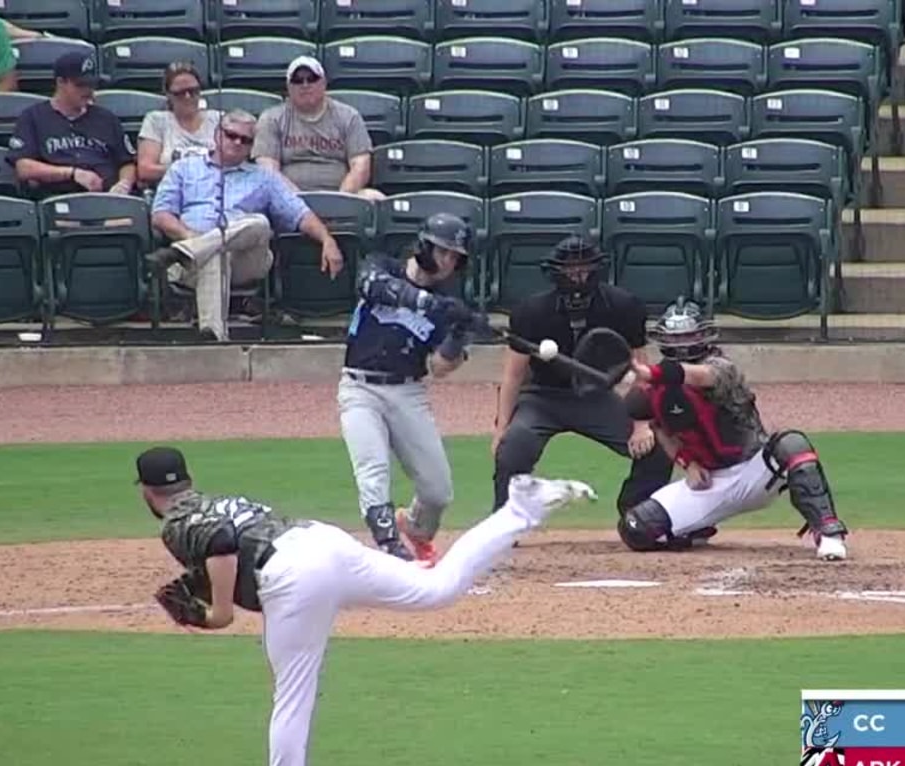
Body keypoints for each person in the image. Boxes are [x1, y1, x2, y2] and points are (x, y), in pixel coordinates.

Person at [136, 445, 596, 766]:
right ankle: (521, 508)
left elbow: (218, 543)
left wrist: (217, 614)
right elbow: (227, 535)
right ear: (186, 480)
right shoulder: (220, 499)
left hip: (295, 578)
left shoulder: (175, 525)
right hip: (323, 542)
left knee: (293, 695)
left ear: (147, 492)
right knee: (436, 589)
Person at [614, 299, 851, 561]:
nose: (681, 343)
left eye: (688, 335)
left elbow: (700, 376)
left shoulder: (722, 368)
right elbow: (662, 430)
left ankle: (828, 532)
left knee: (791, 443)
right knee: (636, 528)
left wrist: (651, 372)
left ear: (703, 335)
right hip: (710, 482)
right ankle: (694, 528)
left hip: (754, 471)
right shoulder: (655, 387)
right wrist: (688, 463)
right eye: (675, 337)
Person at [338, 213, 488, 563]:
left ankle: (416, 530)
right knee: (372, 469)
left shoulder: (447, 304)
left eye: (455, 257)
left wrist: (459, 335)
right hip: (359, 389)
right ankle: (389, 544)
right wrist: (428, 303)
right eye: (443, 252)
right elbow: (370, 285)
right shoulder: (382, 266)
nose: (449, 262)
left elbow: (438, 368)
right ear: (424, 247)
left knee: (438, 490)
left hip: (407, 392)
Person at [491, 234, 674, 518]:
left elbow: (642, 371)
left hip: (596, 397)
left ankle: (639, 515)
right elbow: (513, 376)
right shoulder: (531, 312)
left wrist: (641, 424)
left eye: (584, 267)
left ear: (597, 268)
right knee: (513, 448)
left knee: (659, 445)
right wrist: (501, 428)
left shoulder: (623, 306)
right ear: (556, 271)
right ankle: (504, 521)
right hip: (541, 397)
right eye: (570, 268)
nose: (577, 274)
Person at [147, 110, 345, 342]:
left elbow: (299, 212)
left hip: (246, 260)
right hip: (192, 264)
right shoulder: (183, 169)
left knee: (259, 223)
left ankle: (188, 250)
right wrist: (190, 235)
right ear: (217, 134)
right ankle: (214, 338)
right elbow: (160, 214)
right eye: (232, 135)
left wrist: (327, 239)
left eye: (246, 140)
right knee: (215, 254)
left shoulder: (264, 177)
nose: (238, 143)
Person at [7, 51, 136, 199]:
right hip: (57, 200)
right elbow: (23, 167)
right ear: (60, 82)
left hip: (106, 198)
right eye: (81, 85)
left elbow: (127, 162)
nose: (88, 90)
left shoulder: (107, 118)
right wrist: (72, 173)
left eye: (92, 84)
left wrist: (123, 185)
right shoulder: (33, 117)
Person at [252, 56, 383, 200]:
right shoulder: (272, 118)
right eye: (297, 80)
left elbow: (361, 166)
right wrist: (297, 204)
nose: (305, 85)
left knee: (376, 198)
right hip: (287, 199)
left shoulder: (349, 116)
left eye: (312, 78)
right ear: (288, 87)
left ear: (323, 83)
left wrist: (340, 199)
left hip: (342, 194)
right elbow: (268, 170)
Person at [135, 61, 221, 189]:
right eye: (180, 93)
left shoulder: (218, 119)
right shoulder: (156, 120)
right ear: (168, 95)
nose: (187, 97)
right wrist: (193, 170)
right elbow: (145, 170)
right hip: (171, 190)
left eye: (193, 91)